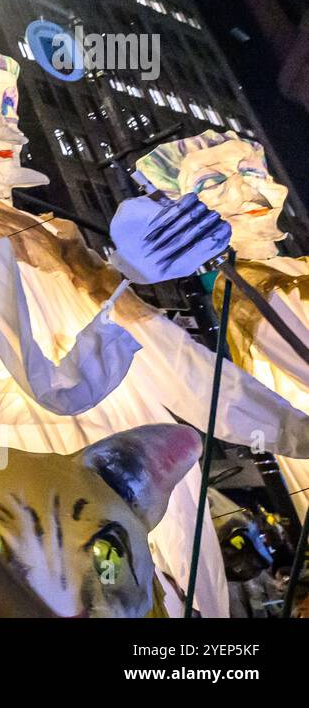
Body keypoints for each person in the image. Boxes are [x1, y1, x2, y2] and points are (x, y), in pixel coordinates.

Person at [0, 46, 309, 617]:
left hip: (132, 429)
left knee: (192, 590)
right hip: (56, 453)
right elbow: (55, 387)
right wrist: (123, 279)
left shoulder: (56, 232)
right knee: (102, 589)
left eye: (6, 103)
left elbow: (172, 356)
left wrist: (289, 429)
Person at [138, 130, 309, 520]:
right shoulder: (242, 287)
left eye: (250, 172)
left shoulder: (292, 270)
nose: (242, 190)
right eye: (212, 182)